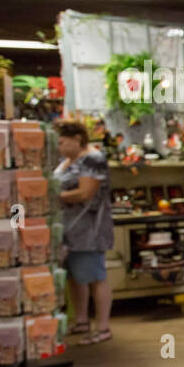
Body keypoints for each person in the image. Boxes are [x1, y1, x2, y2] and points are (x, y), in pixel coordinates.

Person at [55, 120, 114, 345]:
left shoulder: (93, 159)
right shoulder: (67, 161)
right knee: (74, 276)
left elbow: (85, 193)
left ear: (77, 139)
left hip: (89, 228)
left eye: (62, 142)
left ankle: (103, 327)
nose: (59, 146)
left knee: (94, 277)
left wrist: (52, 196)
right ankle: (80, 320)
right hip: (69, 229)